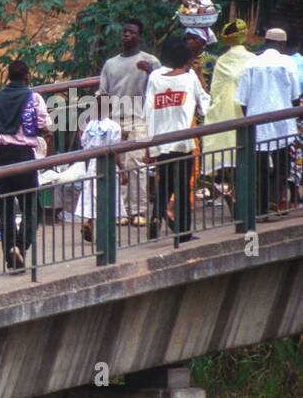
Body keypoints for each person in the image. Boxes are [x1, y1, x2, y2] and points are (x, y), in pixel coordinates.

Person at [0, 61, 51, 271]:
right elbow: (46, 127)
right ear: (27, 76)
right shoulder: (33, 98)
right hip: (24, 156)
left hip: (2, 156)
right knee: (32, 208)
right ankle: (20, 246)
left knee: (6, 209)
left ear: (8, 77)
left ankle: (11, 255)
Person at [144, 35, 210, 243]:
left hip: (161, 141)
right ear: (187, 60)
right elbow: (204, 105)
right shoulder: (190, 79)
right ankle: (183, 231)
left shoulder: (155, 77)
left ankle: (156, 216)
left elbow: (148, 109)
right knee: (182, 186)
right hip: (183, 141)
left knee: (164, 183)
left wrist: (148, 143)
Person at [99, 19, 160, 227]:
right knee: (119, 167)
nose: (127, 35)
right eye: (124, 31)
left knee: (137, 164)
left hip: (139, 118)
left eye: (132, 32)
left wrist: (150, 72)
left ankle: (139, 211)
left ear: (138, 36)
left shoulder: (150, 60)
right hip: (115, 118)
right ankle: (121, 211)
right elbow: (103, 92)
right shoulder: (111, 64)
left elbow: (161, 86)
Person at [237, 27, 303, 215]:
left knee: (260, 168)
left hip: (257, 123)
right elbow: (295, 97)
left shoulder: (251, 63)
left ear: (265, 42)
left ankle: (261, 205)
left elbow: (242, 99)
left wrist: (249, 118)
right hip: (283, 123)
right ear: (282, 44)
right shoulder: (287, 62)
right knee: (283, 165)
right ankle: (275, 198)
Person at [202, 19, 255, 186]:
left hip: (225, 117)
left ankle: (233, 195)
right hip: (249, 115)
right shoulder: (253, 60)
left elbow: (215, 91)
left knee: (229, 160)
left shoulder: (222, 61)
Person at [74, 114, 123, 244]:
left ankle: (89, 223)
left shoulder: (90, 126)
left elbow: (84, 145)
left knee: (92, 196)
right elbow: (115, 151)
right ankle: (107, 234)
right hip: (108, 164)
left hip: (93, 164)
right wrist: (122, 170)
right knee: (109, 197)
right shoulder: (114, 126)